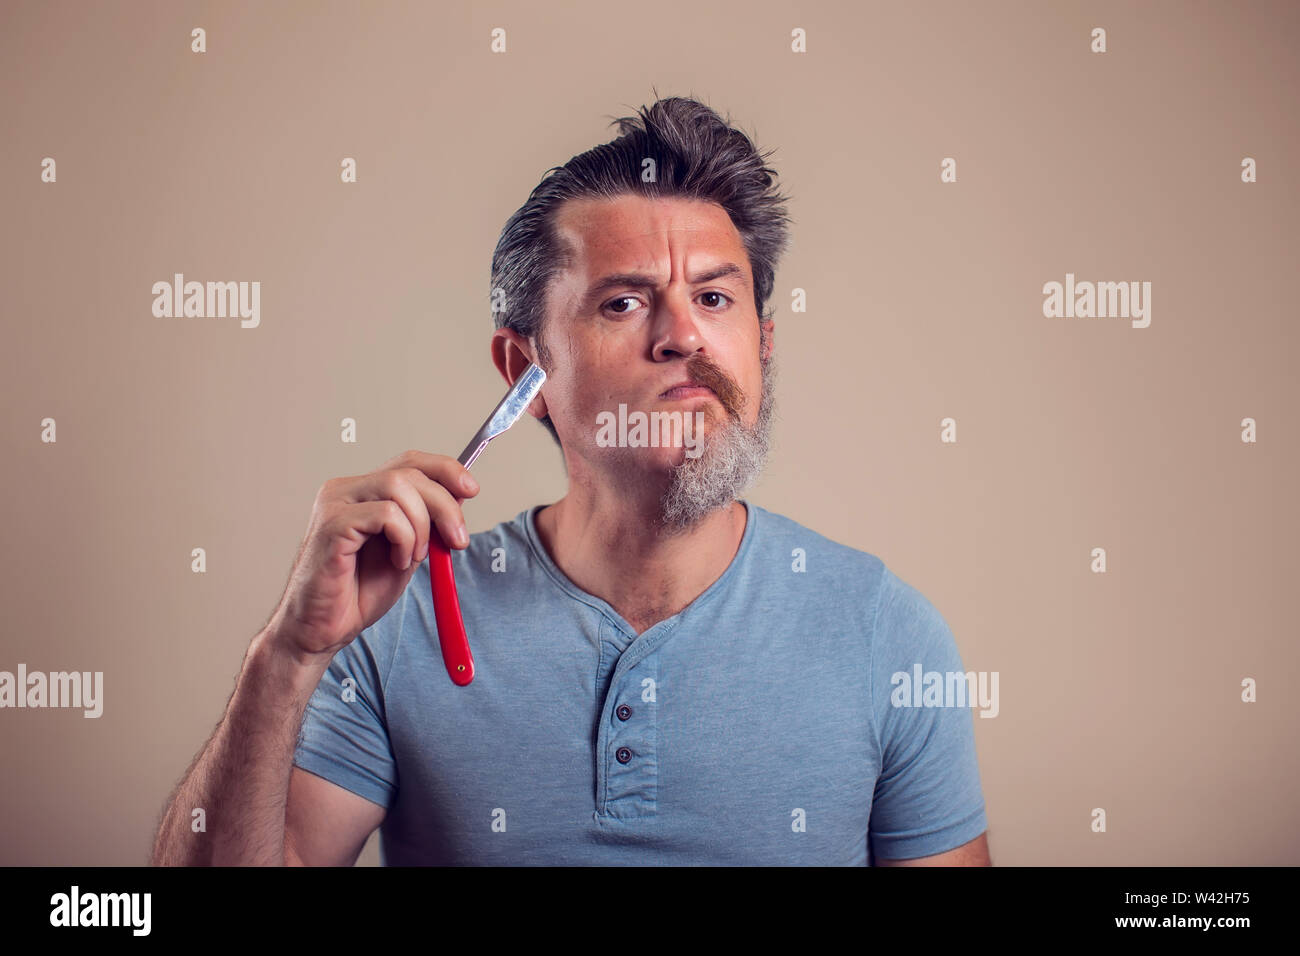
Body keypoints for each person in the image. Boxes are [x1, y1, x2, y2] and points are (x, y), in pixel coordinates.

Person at [151, 94, 990, 866]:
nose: (683, 337)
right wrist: (289, 657)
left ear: (764, 346)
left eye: (715, 298)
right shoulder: (396, 620)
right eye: (624, 303)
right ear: (525, 371)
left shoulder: (888, 635)